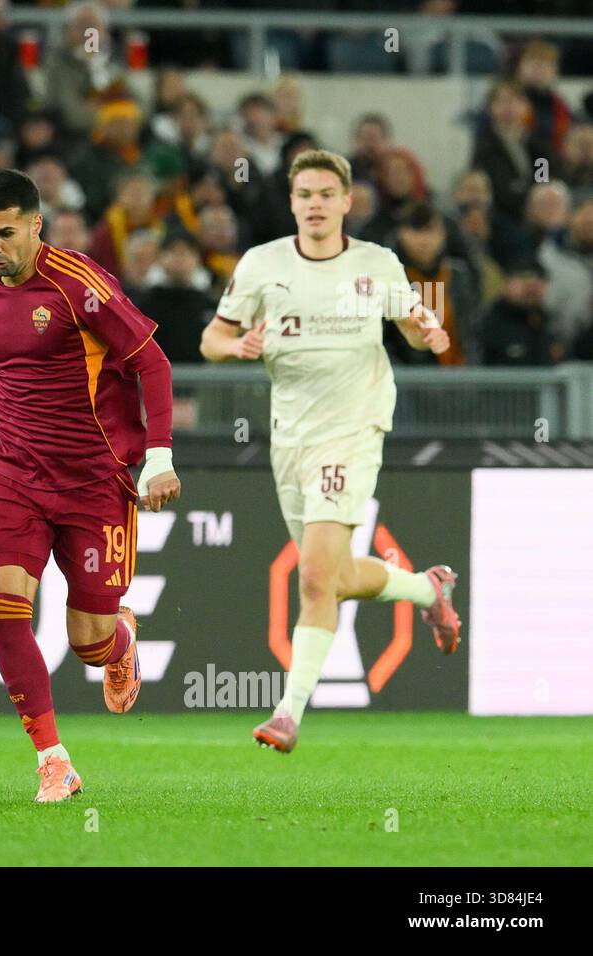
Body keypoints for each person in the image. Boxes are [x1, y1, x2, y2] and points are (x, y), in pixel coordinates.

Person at [198, 150, 462, 754]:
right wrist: (238, 346)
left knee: (314, 575)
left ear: (347, 202)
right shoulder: (263, 265)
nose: (315, 204)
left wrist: (430, 329)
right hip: (290, 436)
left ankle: (288, 714)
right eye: (304, 194)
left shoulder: (377, 264)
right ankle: (428, 589)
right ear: (292, 203)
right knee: (335, 577)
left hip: (355, 427)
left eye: (326, 194)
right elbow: (211, 337)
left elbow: (416, 324)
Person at [0, 168, 179, 803]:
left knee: (87, 644)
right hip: (15, 474)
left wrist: (158, 457)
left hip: (95, 482)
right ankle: (53, 760)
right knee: (3, 606)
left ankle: (119, 637)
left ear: (36, 225)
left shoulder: (80, 286)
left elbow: (151, 360)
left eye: (6, 232)